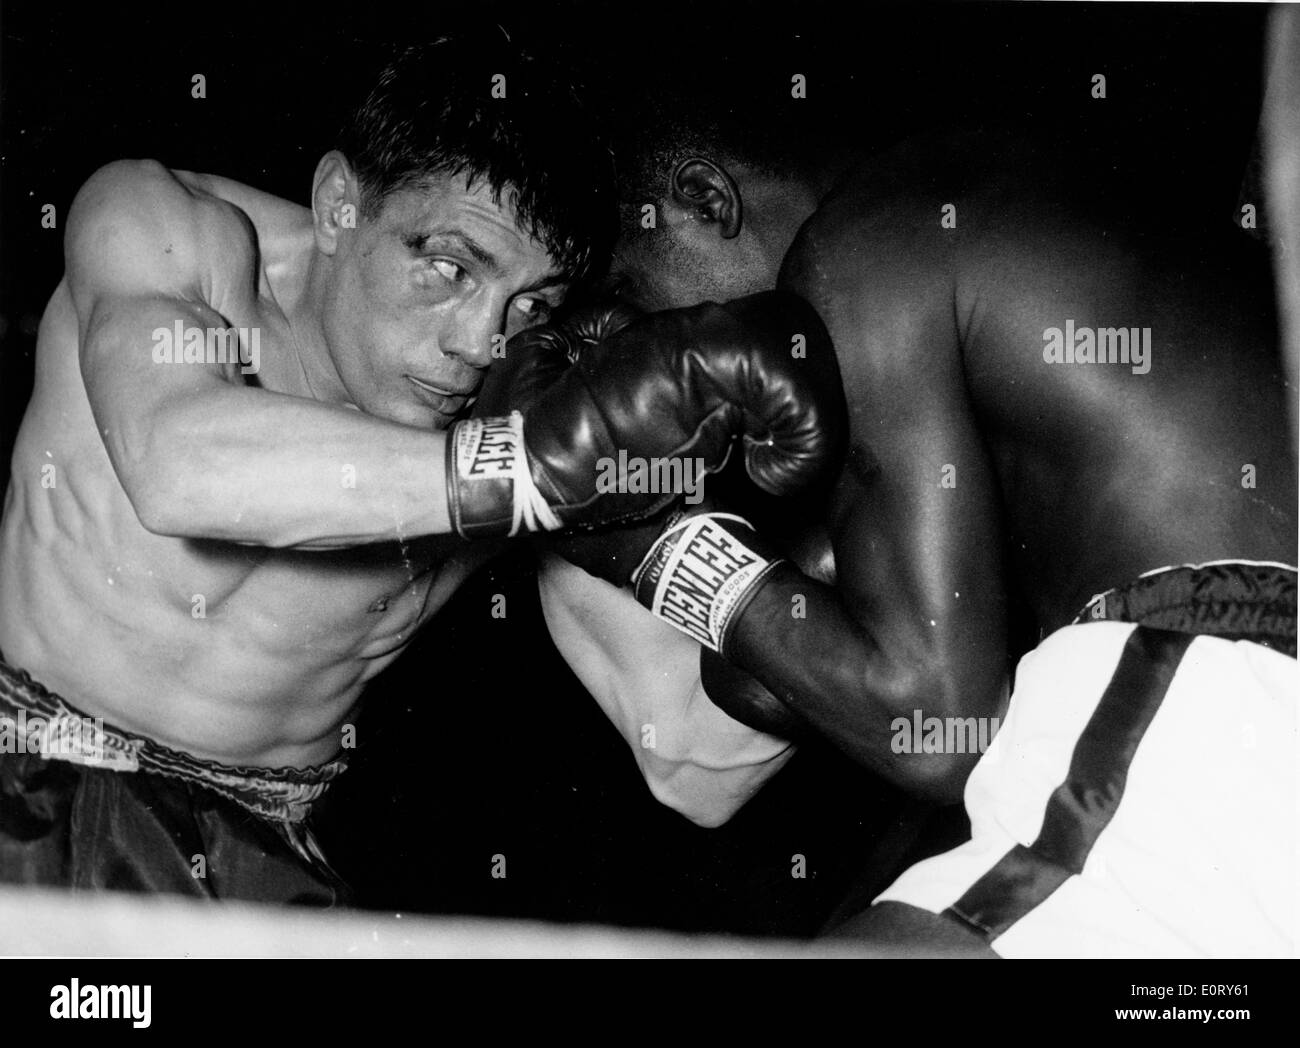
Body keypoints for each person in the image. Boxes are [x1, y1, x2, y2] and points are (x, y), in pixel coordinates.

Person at [0, 31, 846, 904]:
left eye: (531, 303)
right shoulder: (168, 229)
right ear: (338, 205)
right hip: (25, 766)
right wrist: (525, 472)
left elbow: (690, 763)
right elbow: (174, 463)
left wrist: (820, 567)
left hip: (264, 843)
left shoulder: (531, 411)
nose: (478, 341)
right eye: (448, 267)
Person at [535, 82, 1298, 955]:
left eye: (641, 311)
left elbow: (933, 729)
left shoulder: (860, 248)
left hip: (1213, 694)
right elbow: (776, 684)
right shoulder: (1005, 194)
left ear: (705, 203)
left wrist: (639, 543)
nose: (661, 371)